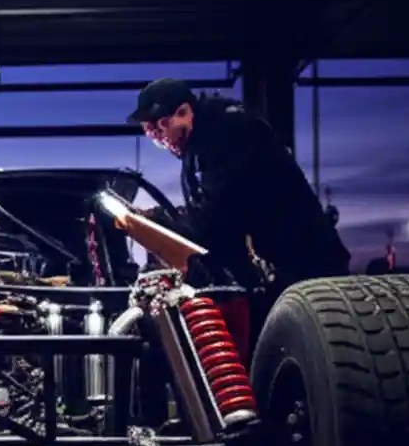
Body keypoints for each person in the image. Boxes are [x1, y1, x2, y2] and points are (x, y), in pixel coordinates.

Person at [126, 78, 351, 294]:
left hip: (306, 268)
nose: (159, 139)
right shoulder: (200, 147)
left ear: (184, 113)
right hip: (281, 269)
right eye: (150, 131)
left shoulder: (229, 133)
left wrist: (162, 224)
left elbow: (215, 220)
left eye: (161, 126)